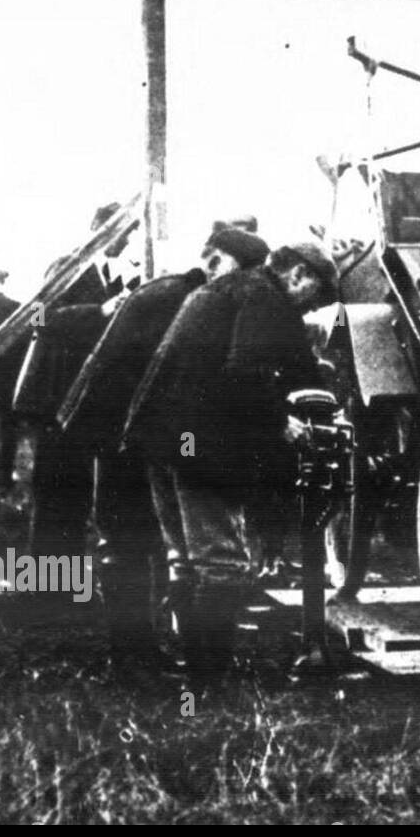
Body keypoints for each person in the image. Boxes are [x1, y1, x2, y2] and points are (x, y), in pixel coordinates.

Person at [58, 227, 270, 666]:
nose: (247, 286)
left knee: (139, 536)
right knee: (126, 535)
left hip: (131, 427)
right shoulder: (181, 298)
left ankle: (142, 650)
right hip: (120, 428)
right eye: (242, 272)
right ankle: (133, 653)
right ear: (214, 262)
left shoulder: (181, 292)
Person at [123, 242, 337, 673]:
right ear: (298, 275)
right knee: (223, 564)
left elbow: (290, 363)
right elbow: (246, 373)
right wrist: (282, 421)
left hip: (160, 436)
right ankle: (211, 677)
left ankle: (191, 667)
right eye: (313, 298)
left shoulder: (233, 289)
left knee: (186, 558)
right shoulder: (265, 299)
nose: (309, 310)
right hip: (196, 441)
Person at [17, 203, 137, 562]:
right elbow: (37, 318)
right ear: (99, 228)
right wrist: (97, 312)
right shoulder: (66, 268)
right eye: (122, 233)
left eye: (130, 235)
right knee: (55, 493)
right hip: (57, 399)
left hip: (91, 403)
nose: (126, 242)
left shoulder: (119, 278)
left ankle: (70, 584)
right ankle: (48, 587)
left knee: (80, 494)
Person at [0, 269, 23, 491]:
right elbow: (37, 333)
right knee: (8, 426)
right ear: (4, 283)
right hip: (8, 377)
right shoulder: (19, 307)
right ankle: (4, 479)